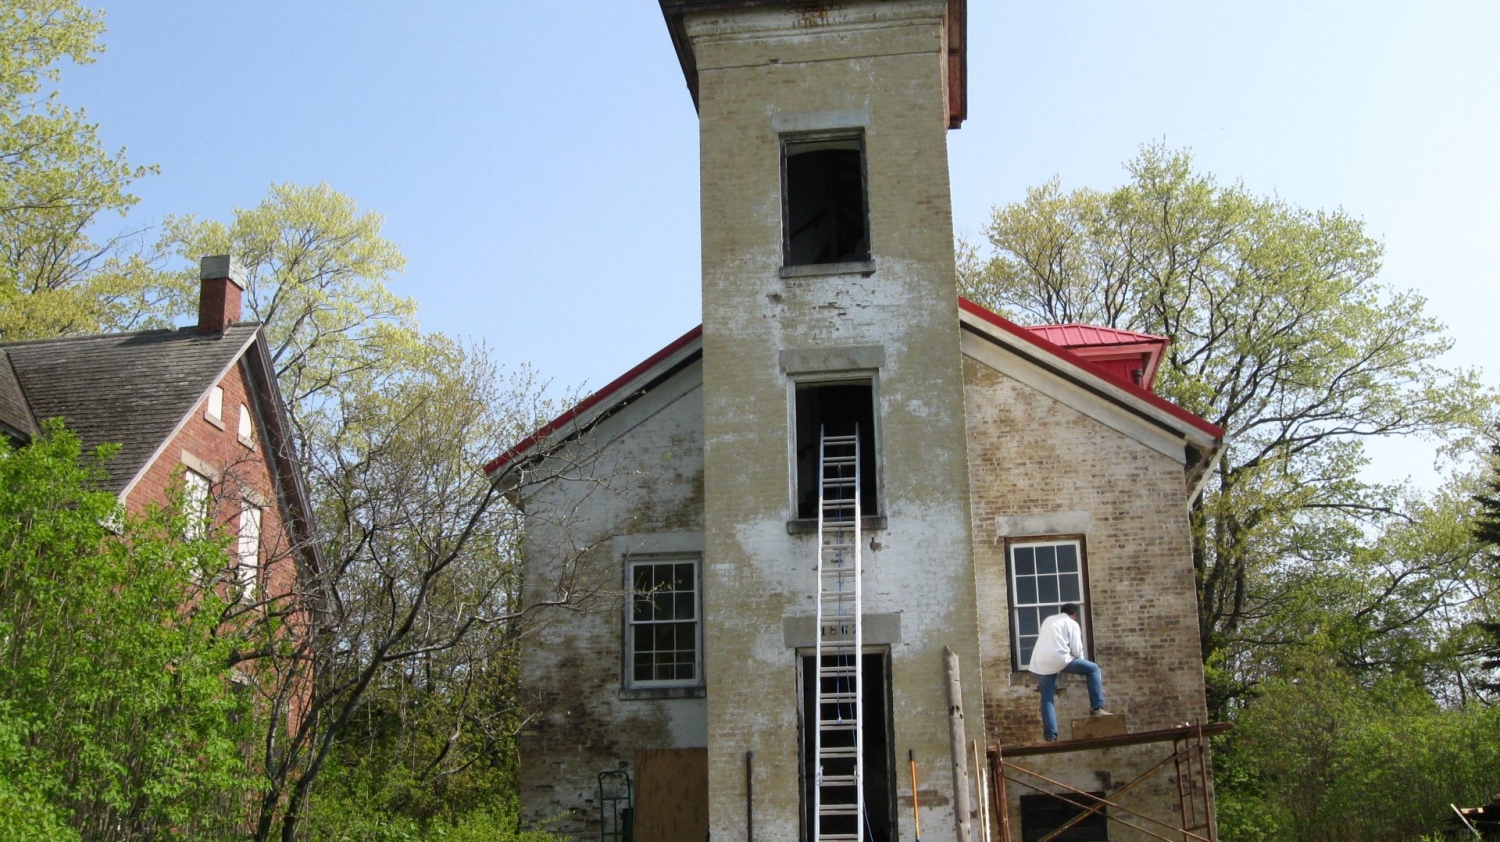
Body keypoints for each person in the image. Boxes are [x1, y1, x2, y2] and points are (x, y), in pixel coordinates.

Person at [1026, 603, 1111, 741]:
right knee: (1093, 669)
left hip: (1039, 662)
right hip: (1060, 659)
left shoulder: (1048, 620)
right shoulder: (1072, 624)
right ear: (1074, 615)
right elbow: (1076, 649)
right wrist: (1080, 661)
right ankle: (1097, 708)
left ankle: (1051, 736)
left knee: (1047, 699)